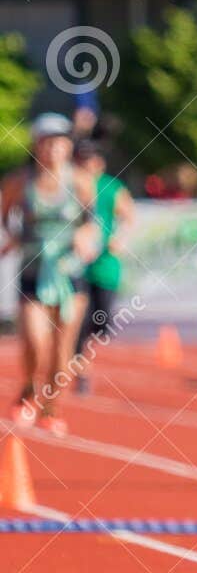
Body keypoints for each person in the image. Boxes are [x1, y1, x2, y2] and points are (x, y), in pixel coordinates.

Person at [1, 113, 97, 434]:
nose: (54, 149)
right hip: (33, 271)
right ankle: (29, 388)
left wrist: (87, 238)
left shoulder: (81, 182)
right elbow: (5, 217)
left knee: (61, 349)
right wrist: (12, 237)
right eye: (47, 143)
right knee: (35, 341)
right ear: (36, 146)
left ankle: (52, 408)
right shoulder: (19, 182)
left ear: (68, 147)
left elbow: (92, 222)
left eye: (60, 143)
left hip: (70, 275)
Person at [72, 136, 136, 390]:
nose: (86, 164)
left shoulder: (111, 188)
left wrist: (119, 239)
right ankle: (82, 371)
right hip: (76, 264)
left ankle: (79, 353)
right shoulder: (70, 185)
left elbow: (129, 217)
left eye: (90, 159)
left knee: (100, 323)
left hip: (105, 265)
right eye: (81, 159)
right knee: (80, 321)